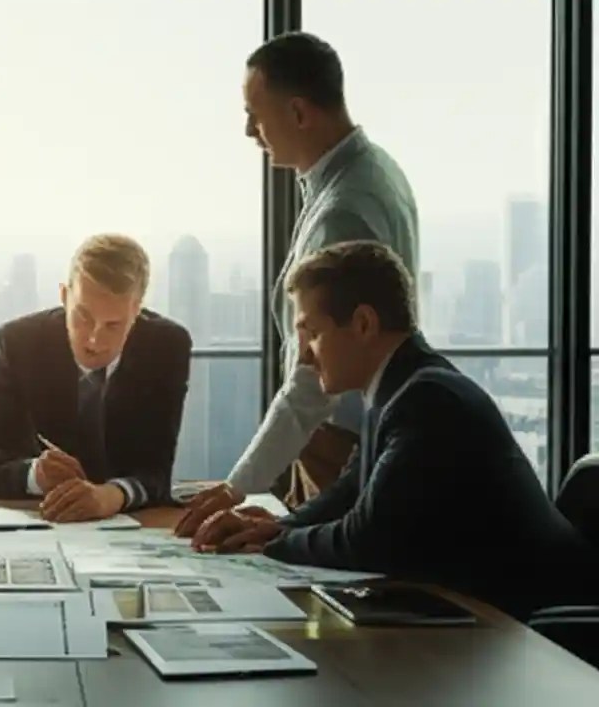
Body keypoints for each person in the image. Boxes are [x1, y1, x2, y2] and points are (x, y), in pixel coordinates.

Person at [190, 241, 594, 619]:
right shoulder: (405, 387)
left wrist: (273, 543)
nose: (305, 354)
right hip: (491, 617)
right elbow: (349, 494)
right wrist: (279, 526)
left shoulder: (427, 400)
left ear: (364, 324)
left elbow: (367, 540)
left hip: (538, 631)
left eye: (312, 333)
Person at [178, 31, 419, 537]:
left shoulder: (343, 210)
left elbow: (313, 379)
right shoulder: (373, 172)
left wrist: (237, 485)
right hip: (343, 436)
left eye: (255, 113)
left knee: (316, 589)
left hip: (338, 445)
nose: (248, 130)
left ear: (300, 113)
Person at [0, 234, 191, 522]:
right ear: (64, 296)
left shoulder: (166, 347)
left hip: (122, 528)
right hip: (36, 518)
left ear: (136, 311)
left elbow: (156, 469)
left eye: (113, 325)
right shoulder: (21, 341)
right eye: (83, 317)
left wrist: (112, 495)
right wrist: (35, 474)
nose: (95, 340)